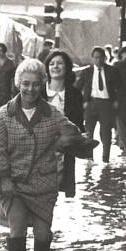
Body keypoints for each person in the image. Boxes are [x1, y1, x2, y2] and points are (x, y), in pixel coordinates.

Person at [0, 58, 94, 251]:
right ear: (18, 83)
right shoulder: (4, 113)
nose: (30, 89)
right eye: (26, 83)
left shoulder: (52, 113)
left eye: (36, 84)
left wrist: (78, 142)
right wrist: (4, 180)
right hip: (14, 184)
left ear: (43, 84)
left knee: (43, 233)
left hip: (44, 183)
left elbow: (71, 133)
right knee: (16, 227)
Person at [44, 49, 86, 197]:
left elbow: (79, 124)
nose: (55, 67)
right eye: (52, 64)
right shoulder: (39, 91)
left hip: (64, 151)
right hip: (39, 148)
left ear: (67, 67)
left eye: (59, 63)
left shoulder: (74, 94)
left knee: (57, 191)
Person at [78, 46, 119, 163]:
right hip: (91, 104)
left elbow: (120, 88)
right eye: (96, 58)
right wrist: (83, 103)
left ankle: (105, 158)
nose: (98, 60)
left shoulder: (112, 71)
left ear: (105, 58)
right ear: (92, 58)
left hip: (106, 104)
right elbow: (77, 88)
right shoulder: (87, 72)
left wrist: (116, 101)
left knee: (105, 133)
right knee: (89, 132)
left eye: (101, 57)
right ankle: (89, 158)